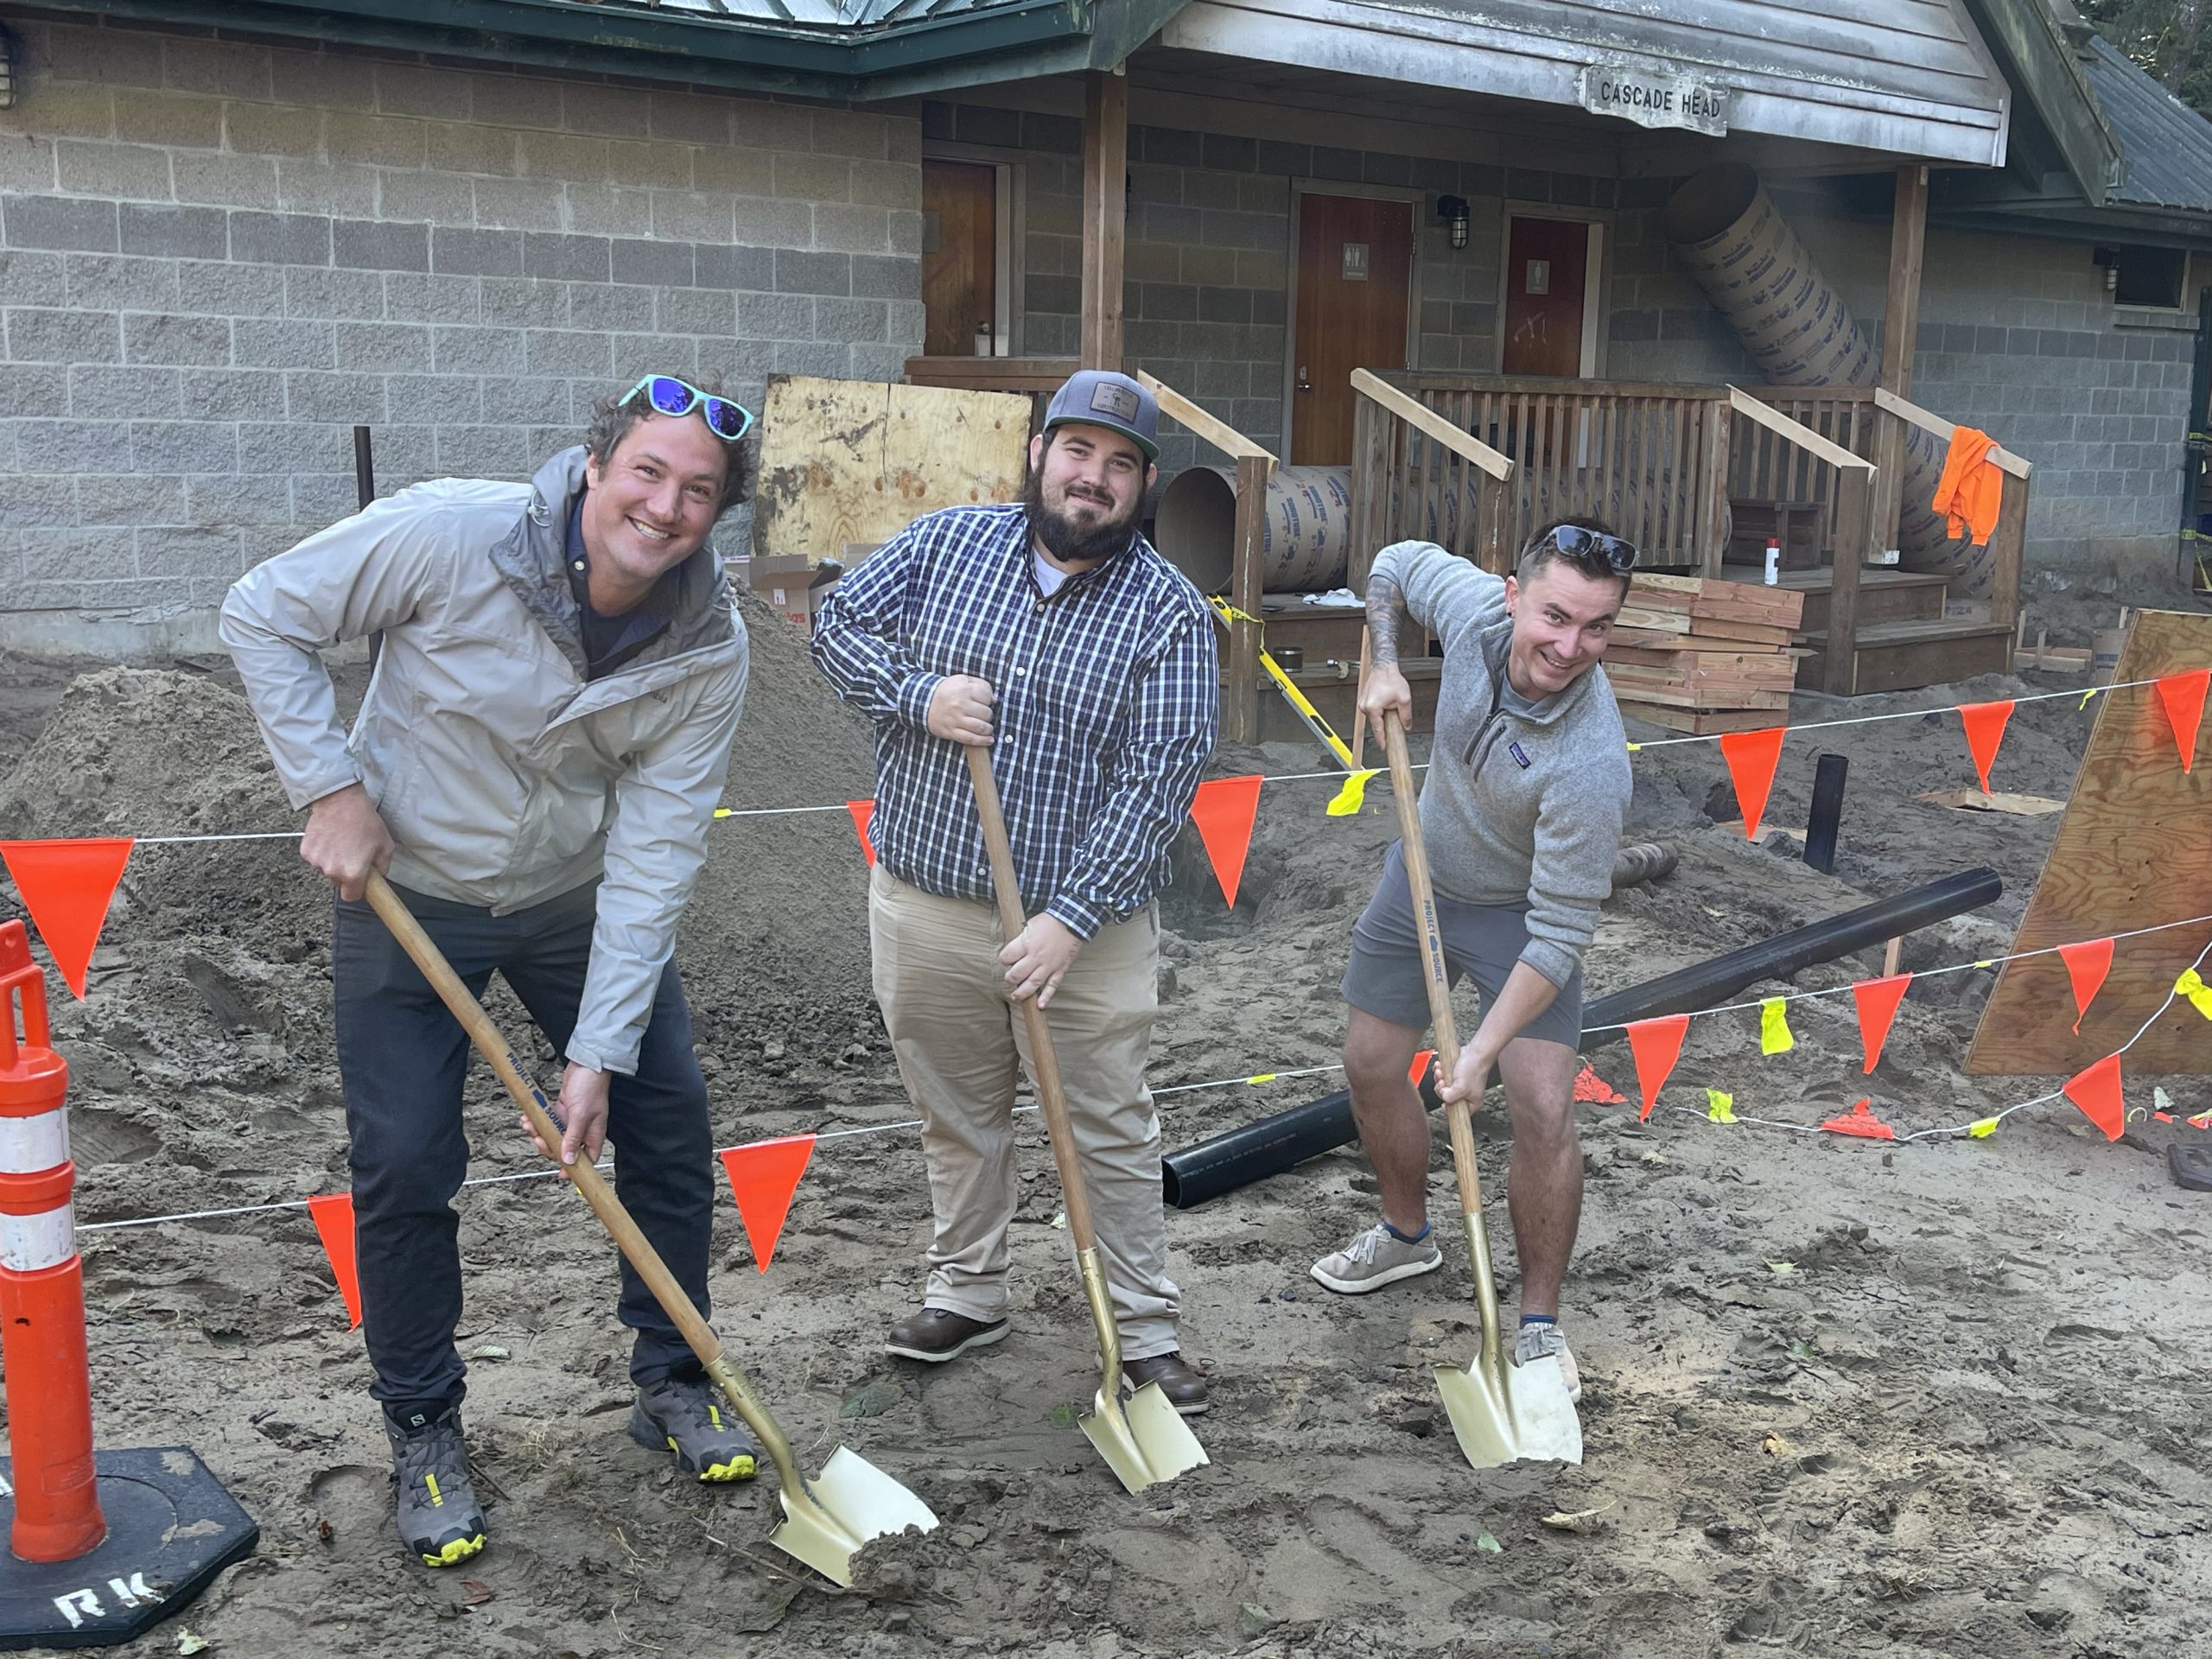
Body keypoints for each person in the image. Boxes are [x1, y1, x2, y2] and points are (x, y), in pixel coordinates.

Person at [220, 374, 758, 1568]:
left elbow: (660, 852)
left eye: (697, 493)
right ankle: (423, 1428)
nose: (664, 507)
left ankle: (676, 1379)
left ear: (716, 517)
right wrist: (331, 787)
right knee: (406, 1161)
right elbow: (262, 611)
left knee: (666, 1122)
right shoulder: (452, 536)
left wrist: (600, 1052)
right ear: (599, 463)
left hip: (570, 900)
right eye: (648, 472)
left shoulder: (708, 646)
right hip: (410, 896)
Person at [811, 370, 1220, 1412]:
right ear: (1039, 454)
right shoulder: (947, 544)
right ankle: (968, 1290)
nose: (1093, 479)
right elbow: (835, 624)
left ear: (1144, 484)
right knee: (956, 1113)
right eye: (1077, 452)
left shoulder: (1167, 614)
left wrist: (1068, 920)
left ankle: (1141, 1328)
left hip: (1085, 928)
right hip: (926, 901)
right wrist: (917, 695)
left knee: (1109, 1127)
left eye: (1118, 464)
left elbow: (1159, 780)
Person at [1309, 520, 1637, 1400]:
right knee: (1370, 1063)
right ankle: (1406, 1238)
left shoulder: (1590, 763)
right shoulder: (1470, 617)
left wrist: (1480, 1051)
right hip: (1419, 874)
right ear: (1511, 595)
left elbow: (1561, 935)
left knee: (1540, 1103)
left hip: (1519, 919)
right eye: (1555, 616)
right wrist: (1383, 659)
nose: (1569, 646)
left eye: (1596, 628)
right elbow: (1388, 563)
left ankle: (1536, 1326)